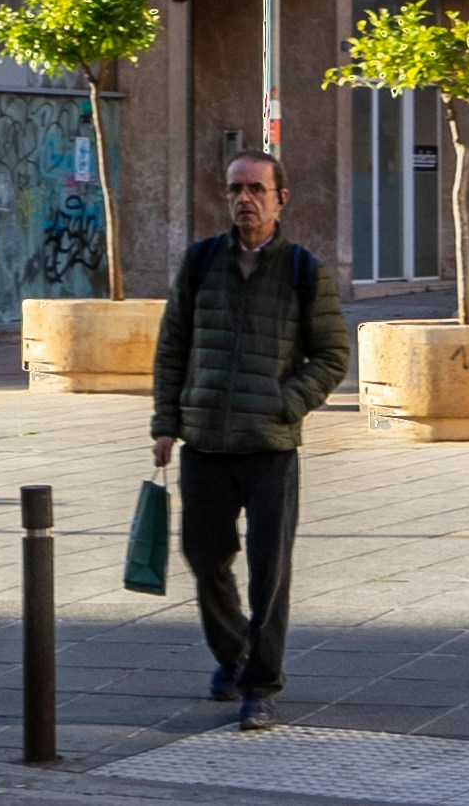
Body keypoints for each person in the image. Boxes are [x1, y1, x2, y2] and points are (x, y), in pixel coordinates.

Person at [147, 150, 352, 730]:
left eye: (257, 189)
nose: (245, 199)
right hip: (205, 442)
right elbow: (172, 348)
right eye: (236, 189)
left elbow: (333, 355)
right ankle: (233, 654)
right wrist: (166, 422)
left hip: (270, 447)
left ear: (280, 199)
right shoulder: (200, 263)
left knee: (269, 570)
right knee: (204, 558)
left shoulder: (304, 271)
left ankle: (260, 685)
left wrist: (285, 402)